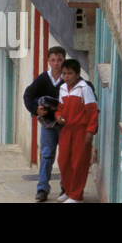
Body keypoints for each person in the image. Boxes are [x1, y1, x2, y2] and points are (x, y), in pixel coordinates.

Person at [23, 46, 66, 202]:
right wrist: (36, 109)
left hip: (65, 125)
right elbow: (28, 95)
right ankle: (42, 189)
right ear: (48, 61)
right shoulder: (43, 79)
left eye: (59, 60)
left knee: (65, 156)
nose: (56, 64)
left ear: (64, 60)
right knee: (47, 155)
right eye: (53, 60)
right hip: (48, 125)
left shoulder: (68, 78)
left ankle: (65, 188)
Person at [55, 58, 99, 203]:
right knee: (63, 161)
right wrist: (59, 116)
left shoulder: (84, 88)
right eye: (64, 74)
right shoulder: (62, 88)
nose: (66, 77)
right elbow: (60, 108)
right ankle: (68, 191)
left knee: (78, 163)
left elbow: (92, 111)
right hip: (66, 130)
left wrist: (90, 131)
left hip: (81, 130)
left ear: (77, 74)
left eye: (69, 74)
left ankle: (76, 195)